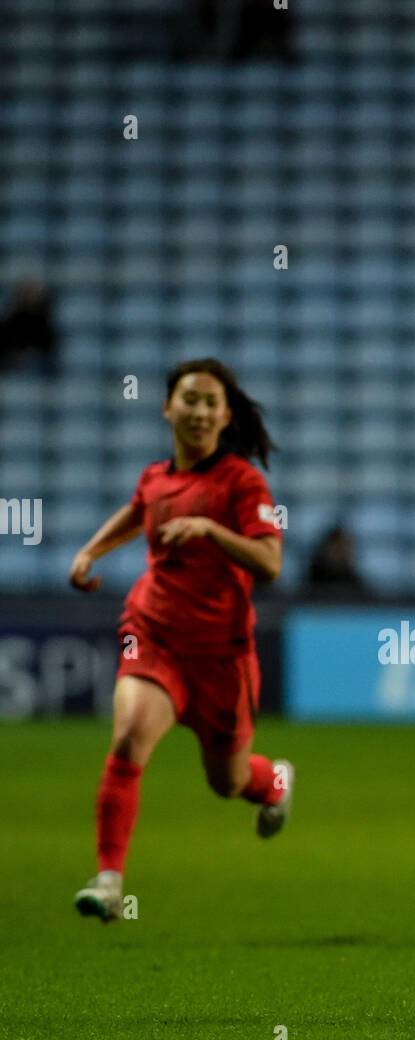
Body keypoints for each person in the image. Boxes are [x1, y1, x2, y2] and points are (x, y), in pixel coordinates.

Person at [69, 358, 294, 921]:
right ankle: (109, 881)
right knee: (128, 739)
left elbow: (269, 562)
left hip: (221, 657)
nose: (198, 410)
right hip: (154, 636)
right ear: (168, 408)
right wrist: (91, 551)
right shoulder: (155, 477)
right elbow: (139, 509)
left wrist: (210, 531)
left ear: (225, 416)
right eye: (188, 399)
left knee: (230, 781)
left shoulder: (243, 482)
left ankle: (276, 781)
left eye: (210, 402)